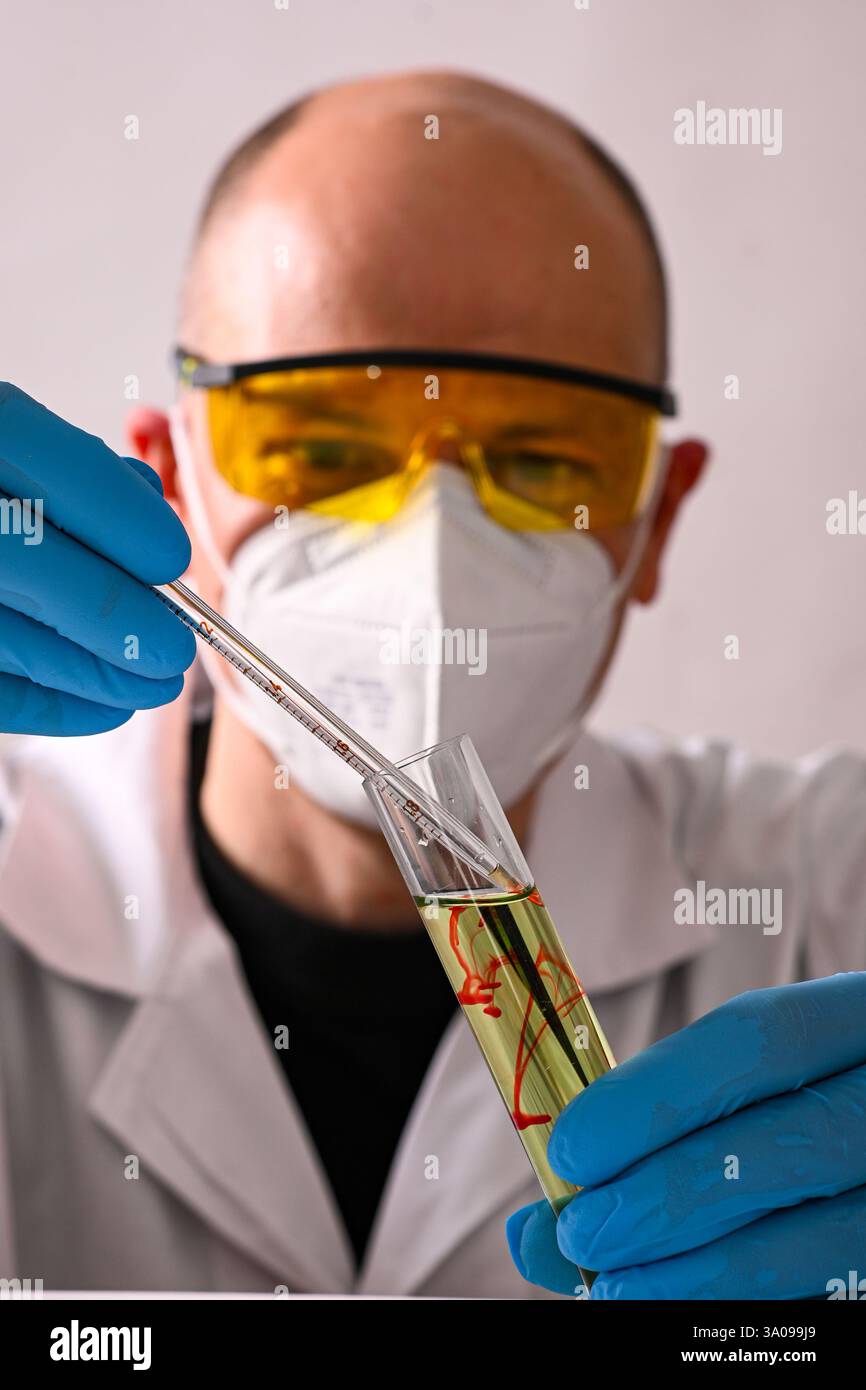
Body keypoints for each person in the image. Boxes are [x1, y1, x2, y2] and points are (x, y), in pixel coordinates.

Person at [0, 70, 864, 1302]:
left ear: (655, 516)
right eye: (321, 445)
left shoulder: (827, 890)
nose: (435, 543)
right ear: (170, 480)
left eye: (538, 453)